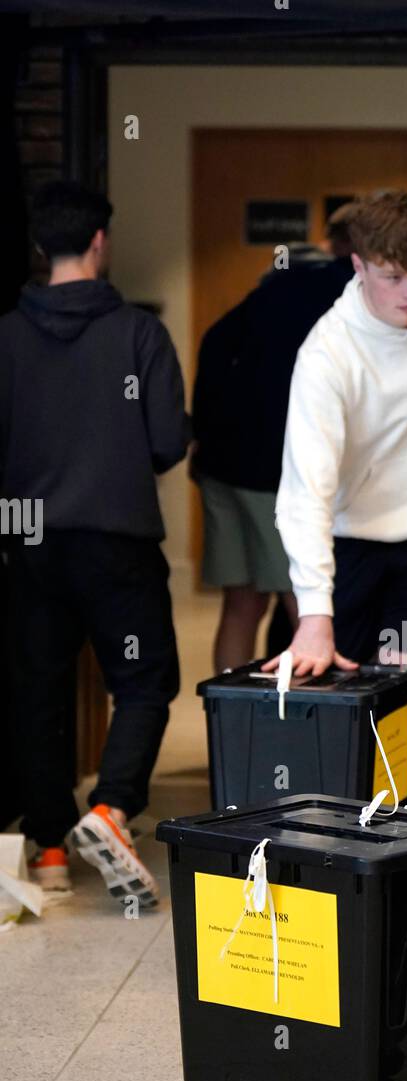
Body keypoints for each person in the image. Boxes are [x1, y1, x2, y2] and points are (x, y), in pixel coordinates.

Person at [266, 190, 407, 807]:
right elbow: (305, 488)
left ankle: (397, 850)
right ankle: (331, 850)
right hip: (349, 542)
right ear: (359, 267)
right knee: (335, 699)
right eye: (394, 277)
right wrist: (314, 613)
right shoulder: (328, 351)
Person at [0, 180, 188, 905]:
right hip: (118, 540)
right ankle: (111, 809)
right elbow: (168, 439)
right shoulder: (140, 332)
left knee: (38, 691)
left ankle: (49, 847)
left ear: (40, 248)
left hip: (31, 546)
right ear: (101, 243)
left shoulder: (7, 337)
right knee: (142, 683)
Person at [191, 205, 357, 671]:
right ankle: (307, 737)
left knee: (241, 605)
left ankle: (227, 726)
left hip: (223, 466)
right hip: (276, 473)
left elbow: (212, 352)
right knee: (304, 607)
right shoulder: (346, 299)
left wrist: (201, 439)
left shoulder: (261, 297)